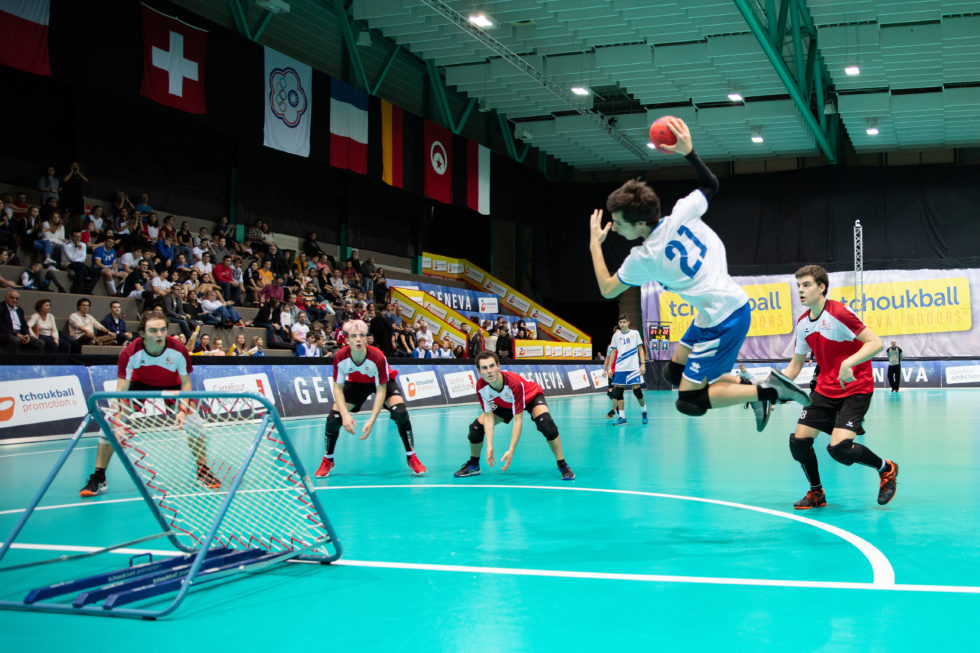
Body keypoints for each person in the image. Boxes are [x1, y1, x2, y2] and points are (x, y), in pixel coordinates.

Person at [587, 116, 808, 429]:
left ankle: (770, 392)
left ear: (639, 224)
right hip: (714, 312)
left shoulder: (645, 258)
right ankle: (753, 392)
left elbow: (608, 289)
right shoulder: (682, 213)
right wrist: (689, 152)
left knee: (689, 401)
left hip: (724, 318)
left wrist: (596, 245)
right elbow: (710, 185)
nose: (616, 227)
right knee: (672, 374)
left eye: (619, 222)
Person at [777, 265, 898, 509]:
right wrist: (771, 388)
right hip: (824, 389)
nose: (800, 290)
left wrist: (849, 362)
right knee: (798, 442)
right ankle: (816, 493)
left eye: (807, 285)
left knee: (839, 449)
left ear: (822, 288)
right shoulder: (803, 324)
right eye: (798, 285)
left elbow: (875, 343)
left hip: (855, 388)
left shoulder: (839, 313)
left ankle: (886, 469)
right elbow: (795, 365)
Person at [79, 312, 221, 497]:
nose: (159, 335)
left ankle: (202, 470)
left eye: (162, 330)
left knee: (195, 423)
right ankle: (99, 476)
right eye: (153, 331)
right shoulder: (130, 353)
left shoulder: (178, 349)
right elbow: (121, 391)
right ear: (143, 333)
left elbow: (186, 383)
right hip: (139, 386)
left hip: (172, 384)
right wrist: (118, 425)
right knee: (107, 426)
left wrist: (182, 411)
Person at [314, 319, 426, 478]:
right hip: (357, 384)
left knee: (400, 413)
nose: (358, 339)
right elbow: (337, 388)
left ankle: (411, 456)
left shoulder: (377, 357)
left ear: (366, 338)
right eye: (354, 336)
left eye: (361, 335)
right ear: (347, 340)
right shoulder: (340, 357)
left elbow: (381, 390)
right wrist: (345, 415)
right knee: (333, 419)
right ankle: (328, 459)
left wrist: (372, 420)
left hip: (382, 383)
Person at [453, 350, 574, 481]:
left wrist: (511, 450)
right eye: (484, 368)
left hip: (530, 397)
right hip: (504, 404)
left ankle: (562, 464)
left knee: (546, 423)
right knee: (476, 428)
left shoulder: (513, 383)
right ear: (479, 371)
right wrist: (489, 446)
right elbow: (488, 417)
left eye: (492, 366)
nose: (489, 371)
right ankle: (474, 464)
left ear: (498, 366)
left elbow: (518, 420)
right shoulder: (481, 386)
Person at [606, 315, 648, 425]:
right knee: (618, 392)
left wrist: (643, 364)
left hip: (633, 367)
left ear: (628, 322)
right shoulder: (616, 336)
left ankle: (644, 411)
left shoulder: (635, 334)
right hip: (620, 368)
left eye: (624, 322)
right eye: (620, 322)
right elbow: (613, 352)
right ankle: (622, 417)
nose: (622, 324)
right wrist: (610, 367)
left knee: (637, 391)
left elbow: (641, 350)